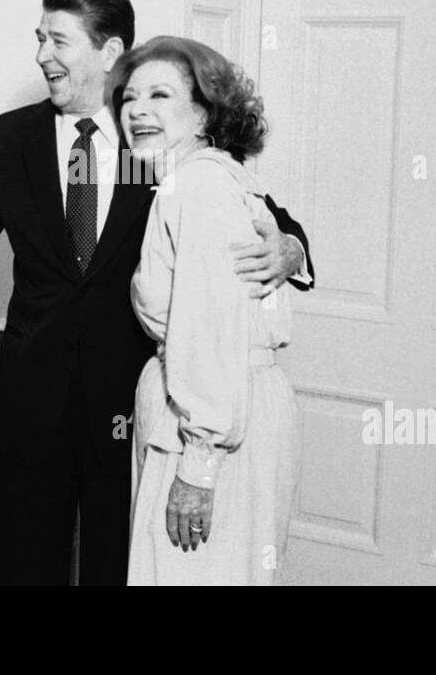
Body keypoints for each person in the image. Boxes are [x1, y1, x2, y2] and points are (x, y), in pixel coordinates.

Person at [0, 0, 313, 585]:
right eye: (39, 38)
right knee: (25, 560)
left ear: (108, 51)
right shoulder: (10, 138)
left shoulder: (164, 141)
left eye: (57, 40)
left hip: (142, 399)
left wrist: (293, 248)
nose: (41, 55)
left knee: (130, 562)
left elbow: (260, 214)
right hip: (35, 393)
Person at [112, 36, 300, 586]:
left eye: (161, 95)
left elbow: (210, 333)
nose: (138, 110)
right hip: (229, 411)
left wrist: (197, 468)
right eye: (129, 97)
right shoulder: (216, 176)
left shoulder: (195, 185)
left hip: (207, 425)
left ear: (204, 112)